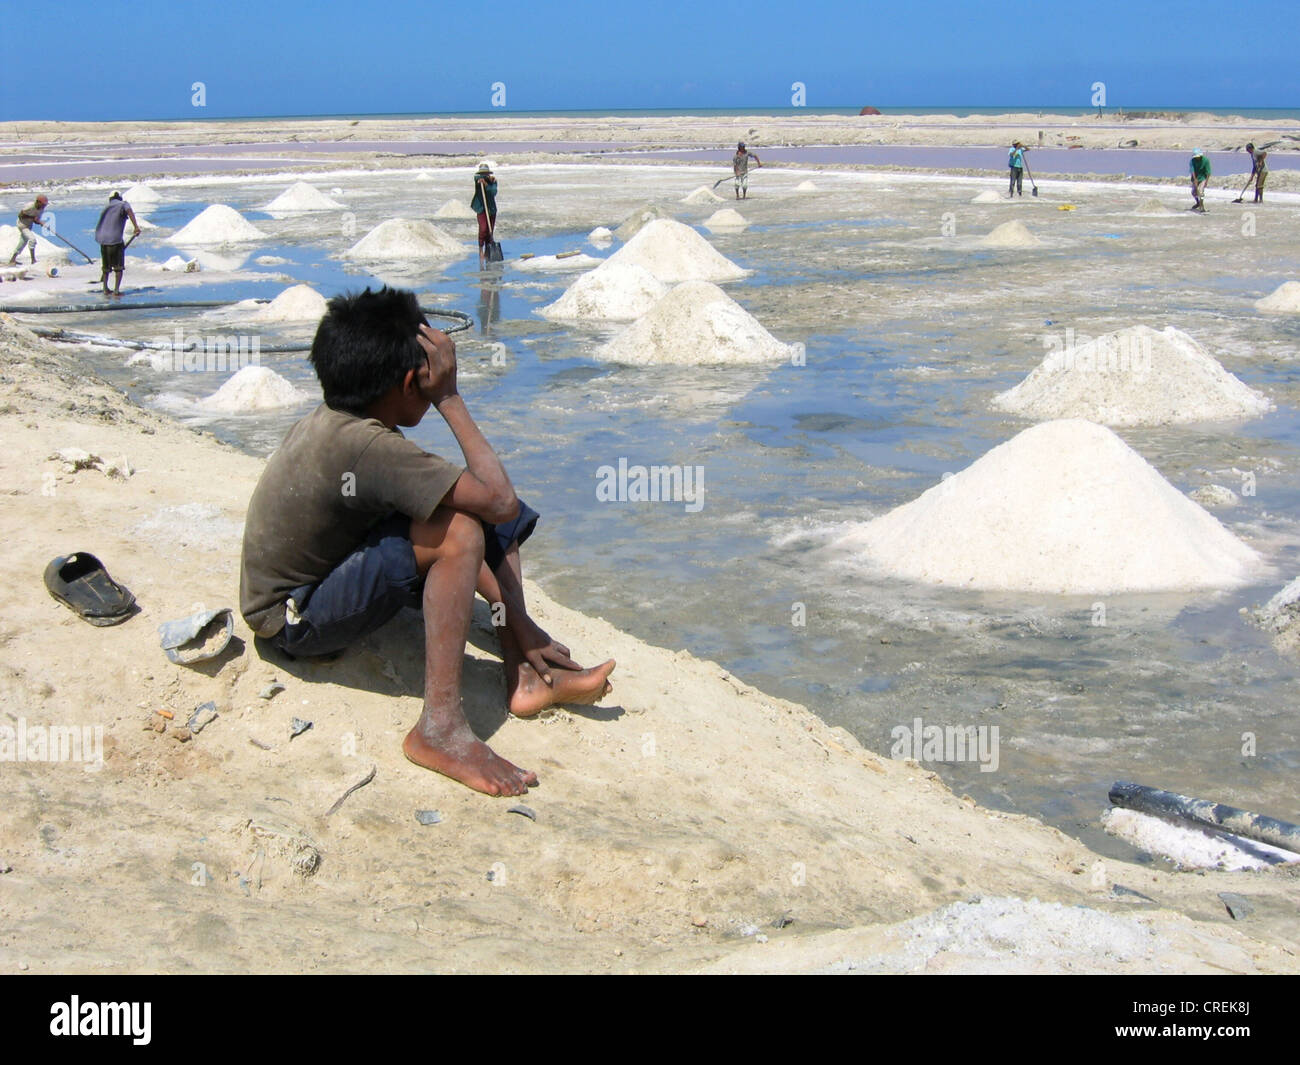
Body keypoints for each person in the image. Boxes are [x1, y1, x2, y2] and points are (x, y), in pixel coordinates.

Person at [239, 287, 615, 797]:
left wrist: (518, 621)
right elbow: (499, 499)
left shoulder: (348, 423)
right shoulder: (366, 446)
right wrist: (449, 397)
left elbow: (496, 509)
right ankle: (439, 728)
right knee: (465, 525)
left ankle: (523, 670)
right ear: (411, 381)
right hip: (293, 618)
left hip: (330, 572)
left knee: (472, 511)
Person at [94, 192, 140, 296]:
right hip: (115, 240)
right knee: (118, 267)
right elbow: (129, 210)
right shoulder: (123, 204)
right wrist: (136, 227)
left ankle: (105, 289)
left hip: (103, 240)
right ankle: (116, 291)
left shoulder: (107, 207)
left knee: (106, 267)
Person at [471, 161, 498, 268]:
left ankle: (488, 250)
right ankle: (480, 249)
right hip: (481, 209)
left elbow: (493, 192)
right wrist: (481, 180)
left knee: (490, 230)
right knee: (483, 229)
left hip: (491, 209)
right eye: (482, 174)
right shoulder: (478, 180)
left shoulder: (493, 182)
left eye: (485, 174)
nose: (484, 175)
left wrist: (487, 183)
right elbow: (475, 178)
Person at [8, 195, 49, 265]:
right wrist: (33, 218)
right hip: (22, 225)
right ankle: (33, 260)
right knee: (32, 239)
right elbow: (20, 215)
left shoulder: (41, 210)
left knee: (23, 242)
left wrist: (40, 222)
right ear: (38, 202)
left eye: (45, 205)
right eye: (42, 205)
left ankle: (12, 259)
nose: (43, 207)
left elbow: (36, 220)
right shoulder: (29, 206)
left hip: (29, 226)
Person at [1190, 148, 1211, 213]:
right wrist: (1195, 179)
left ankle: (1202, 206)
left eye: (1198, 157)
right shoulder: (1192, 161)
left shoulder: (1206, 160)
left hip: (1203, 178)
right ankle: (1198, 203)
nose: (1197, 158)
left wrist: (1206, 181)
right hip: (1195, 177)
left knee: (1201, 192)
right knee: (1194, 192)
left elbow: (1208, 172)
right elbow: (1192, 170)